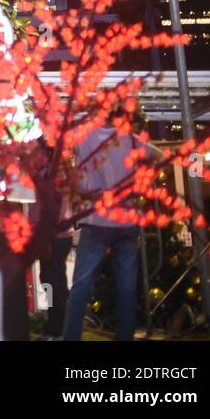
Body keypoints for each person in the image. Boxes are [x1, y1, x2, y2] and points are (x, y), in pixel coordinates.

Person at [62, 126, 162, 340]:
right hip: (127, 221)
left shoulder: (85, 137)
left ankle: (71, 337)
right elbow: (159, 155)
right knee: (127, 288)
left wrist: (76, 183)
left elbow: (60, 146)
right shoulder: (132, 139)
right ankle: (124, 336)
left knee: (81, 286)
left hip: (97, 220)